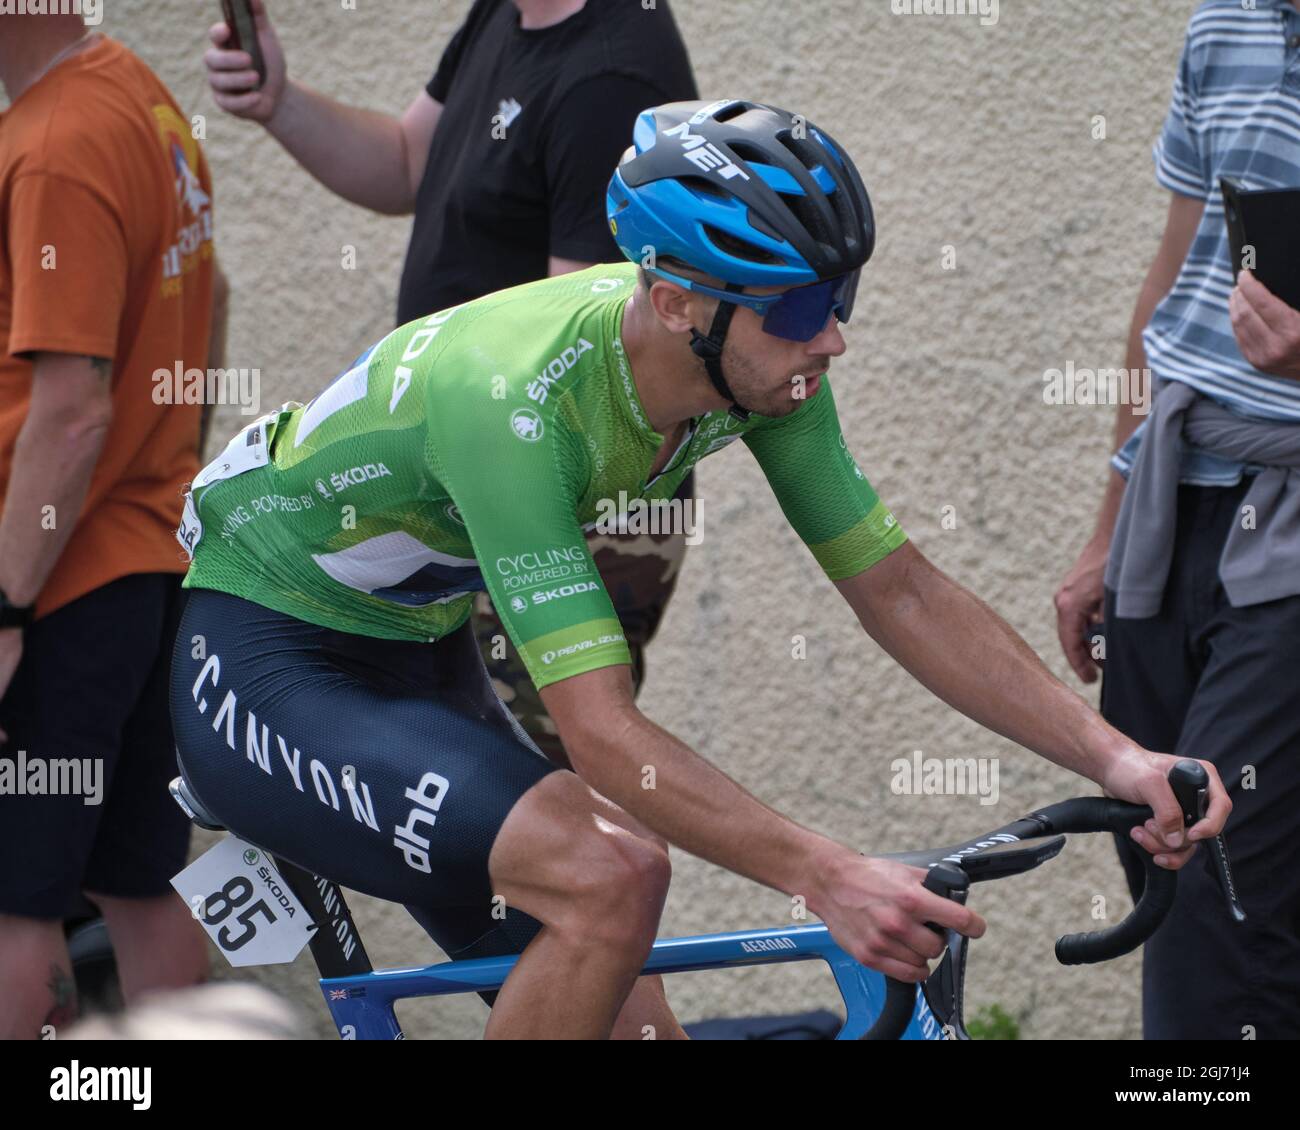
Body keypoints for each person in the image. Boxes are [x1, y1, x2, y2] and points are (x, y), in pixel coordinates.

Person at [171, 99, 1230, 1040]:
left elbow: (896, 587)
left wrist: (1114, 756)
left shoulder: (757, 368)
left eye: (840, 296)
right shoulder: (512, 399)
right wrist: (828, 875)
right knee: (612, 874)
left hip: (413, 651)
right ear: (678, 301)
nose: (835, 341)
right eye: (805, 310)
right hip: (265, 653)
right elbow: (597, 728)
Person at [203, 0, 698, 766]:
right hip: (465, 494)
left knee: (530, 805)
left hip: (545, 506)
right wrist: (282, 105)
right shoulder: (506, 13)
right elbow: (406, 160)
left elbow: (582, 376)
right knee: (468, 808)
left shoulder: (610, 74)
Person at [1055, 0, 1300, 1038]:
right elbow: (1173, 282)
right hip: (1171, 500)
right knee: (1160, 849)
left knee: (1217, 881)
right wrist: (1108, 525)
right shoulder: (1222, 26)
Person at [0, 12, 227, 1036]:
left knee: (16, 900)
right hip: (147, 560)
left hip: (58, 579)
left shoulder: (53, 142)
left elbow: (74, 404)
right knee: (140, 882)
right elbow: (211, 302)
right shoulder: (138, 93)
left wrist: (4, 606)